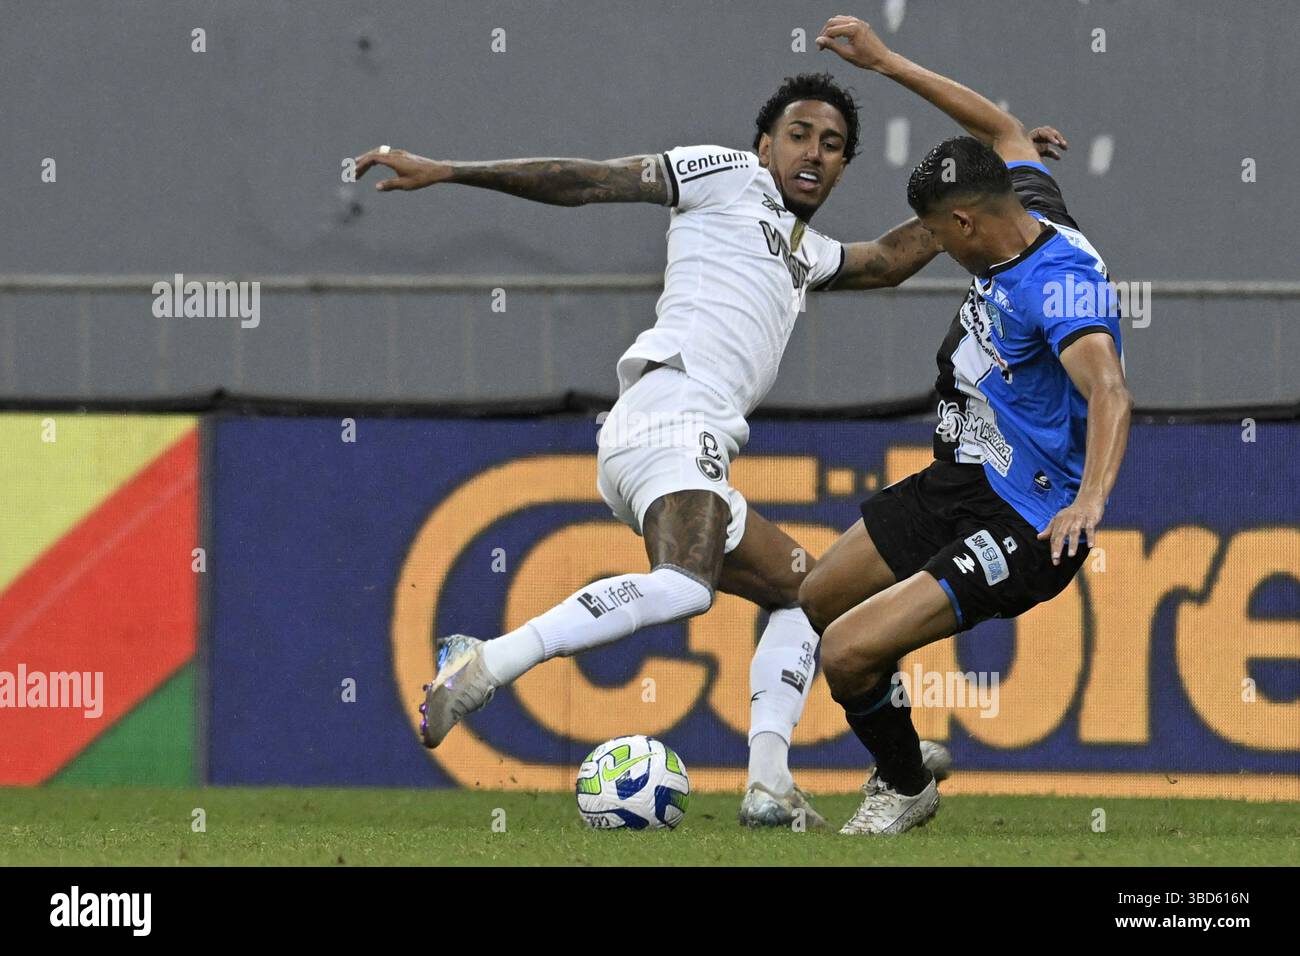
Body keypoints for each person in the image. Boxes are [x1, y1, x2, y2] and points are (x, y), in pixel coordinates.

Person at [354, 71, 1060, 826]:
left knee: (808, 599)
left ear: (846, 165)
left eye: (832, 145)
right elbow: (591, 182)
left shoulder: (806, 250)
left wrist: (998, 181)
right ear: (763, 144)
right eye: (798, 136)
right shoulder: (726, 175)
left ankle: (767, 783)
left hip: (685, 440)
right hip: (670, 412)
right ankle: (486, 663)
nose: (813, 153)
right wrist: (452, 172)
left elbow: (887, 259)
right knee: (685, 587)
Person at [801, 15, 1131, 834]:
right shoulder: (1024, 198)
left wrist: (1089, 503)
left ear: (965, 226)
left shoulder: (1057, 286)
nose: (938, 249)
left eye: (941, 236)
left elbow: (1112, 391)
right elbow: (1002, 128)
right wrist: (883, 62)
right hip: (966, 477)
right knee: (820, 597)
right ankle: (897, 720)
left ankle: (904, 784)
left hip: (1029, 520)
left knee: (844, 652)